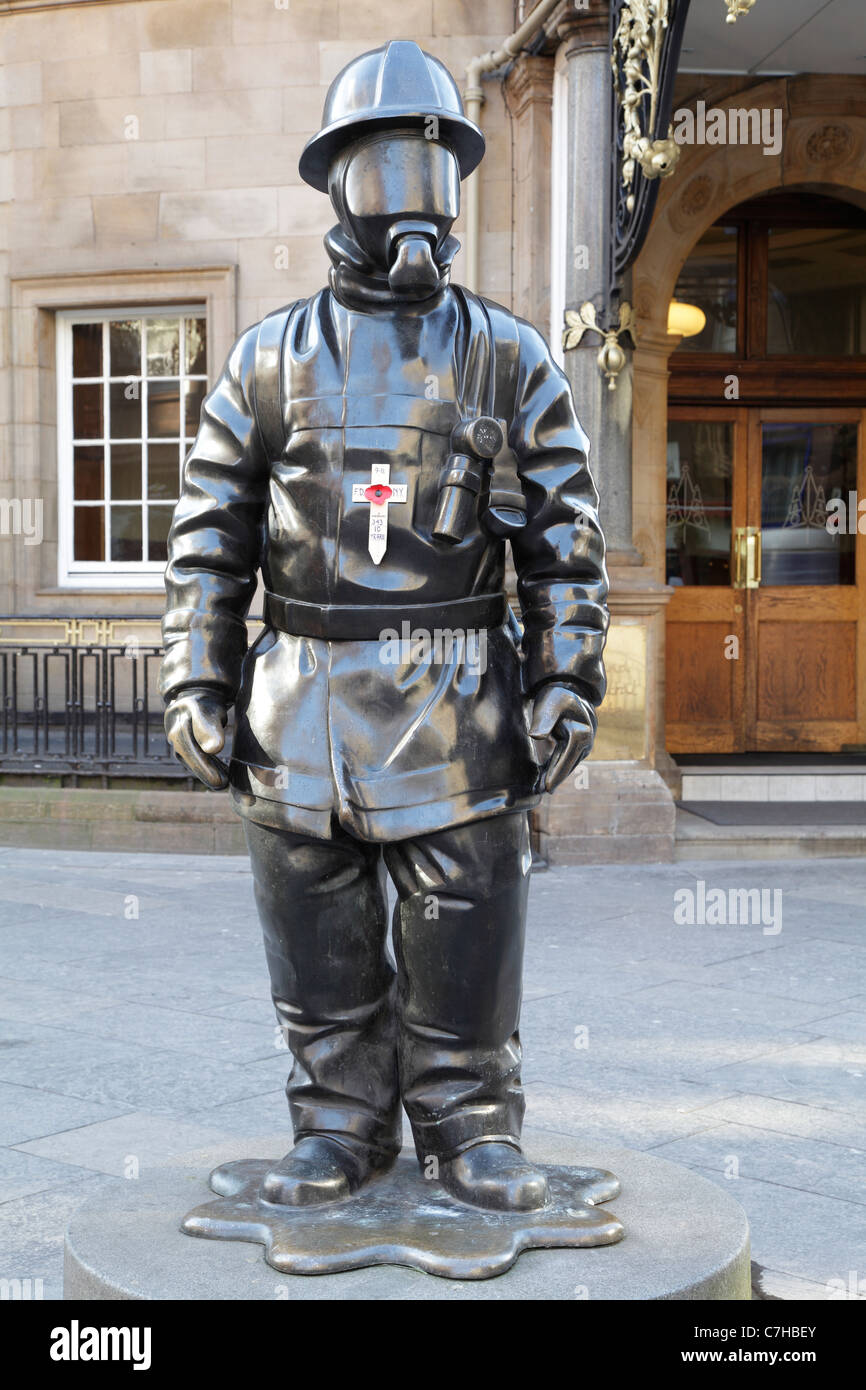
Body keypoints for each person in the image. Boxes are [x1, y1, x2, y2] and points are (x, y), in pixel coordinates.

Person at [161, 40, 608, 1212]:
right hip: (299, 689)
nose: (413, 195)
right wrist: (193, 681)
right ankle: (336, 1122)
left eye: (432, 163)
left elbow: (562, 538)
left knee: (465, 921)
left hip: (457, 690)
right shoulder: (266, 363)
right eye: (386, 163)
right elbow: (209, 538)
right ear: (338, 182)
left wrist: (566, 678)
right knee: (316, 926)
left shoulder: (508, 359)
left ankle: (470, 1124)